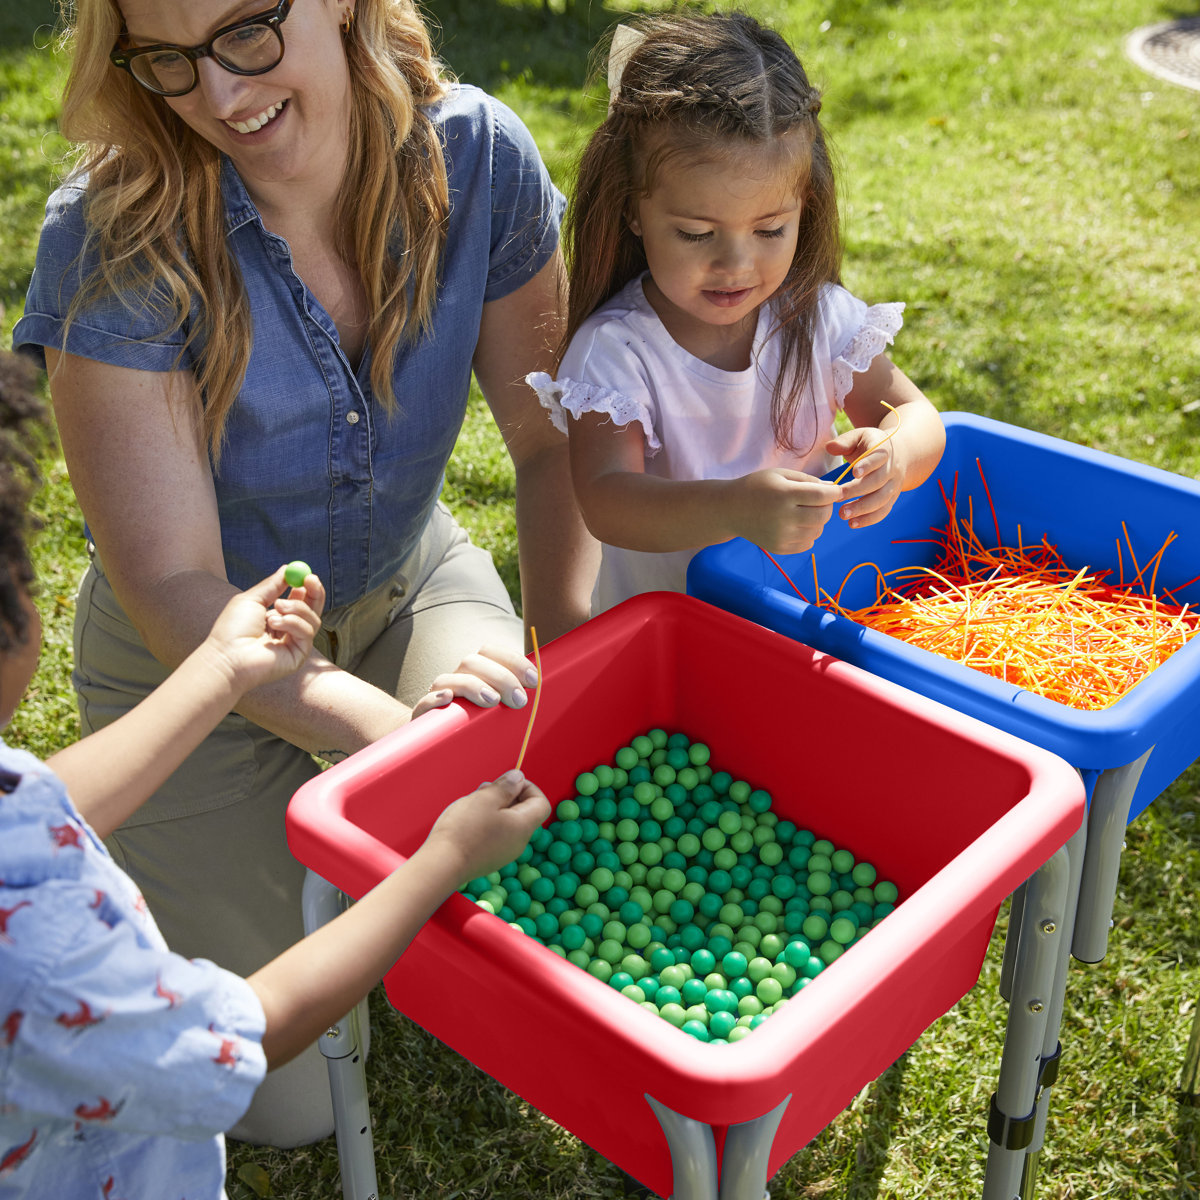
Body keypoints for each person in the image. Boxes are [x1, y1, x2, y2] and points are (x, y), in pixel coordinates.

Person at [11, 0, 595, 1146]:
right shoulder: (111, 232)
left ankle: (379, 877)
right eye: (169, 62)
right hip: (194, 669)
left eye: (247, 33)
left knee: (524, 852)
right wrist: (397, 737)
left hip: (404, 588)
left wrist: (566, 652)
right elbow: (178, 587)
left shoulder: (479, 156)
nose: (222, 96)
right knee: (285, 1108)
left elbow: (549, 443)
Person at [0, 349, 552, 1198]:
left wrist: (220, 667)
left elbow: (40, 804)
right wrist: (439, 860)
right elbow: (247, 1034)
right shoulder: (41, 954)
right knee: (287, 1102)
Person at [527, 12, 946, 613]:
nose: (736, 264)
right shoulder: (618, 351)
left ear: (805, 205)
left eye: (770, 228)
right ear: (633, 212)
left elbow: (916, 414)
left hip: (802, 614)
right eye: (696, 233)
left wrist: (894, 455)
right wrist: (733, 507)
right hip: (673, 636)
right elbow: (607, 501)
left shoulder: (817, 317)